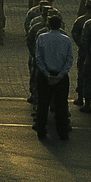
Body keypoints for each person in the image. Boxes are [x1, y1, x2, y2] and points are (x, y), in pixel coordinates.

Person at [33, 12, 75, 141]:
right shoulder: (66, 40)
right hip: (61, 77)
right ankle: (62, 132)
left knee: (42, 104)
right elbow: (70, 59)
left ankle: (41, 130)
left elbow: (38, 58)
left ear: (48, 25)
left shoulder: (41, 38)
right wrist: (61, 75)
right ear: (60, 25)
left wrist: (46, 73)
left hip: (45, 76)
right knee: (61, 106)